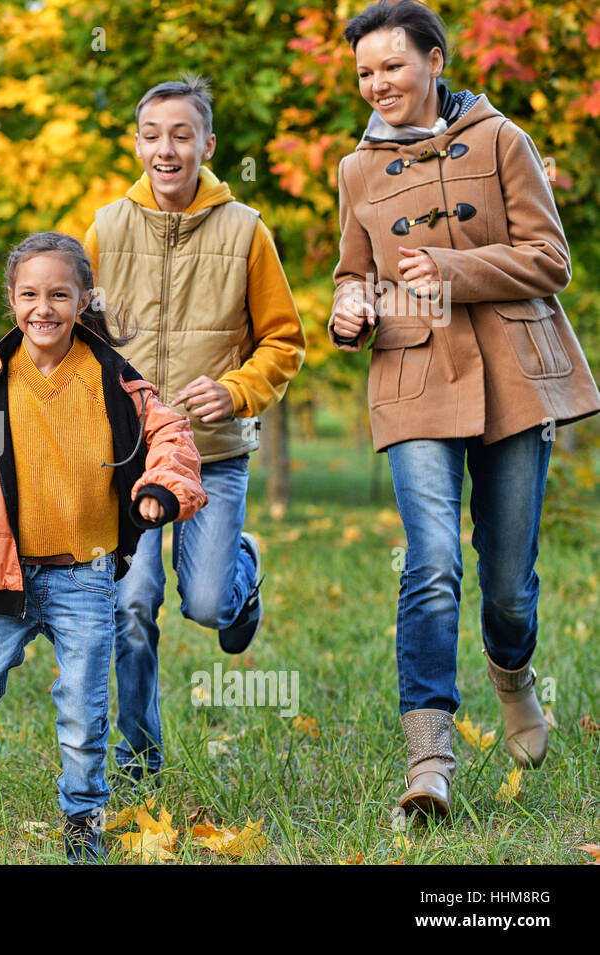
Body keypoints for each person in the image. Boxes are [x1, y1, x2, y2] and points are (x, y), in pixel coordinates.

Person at [330, 1, 600, 817]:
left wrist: (449, 266)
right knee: (433, 561)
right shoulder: (355, 169)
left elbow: (550, 261)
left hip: (516, 376)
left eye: (392, 67)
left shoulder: (501, 139)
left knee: (508, 586)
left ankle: (513, 676)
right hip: (415, 377)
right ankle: (430, 758)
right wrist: (350, 308)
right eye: (365, 73)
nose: (378, 84)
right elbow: (353, 268)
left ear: (435, 60)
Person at [0, 233, 206, 862]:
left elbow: (171, 435)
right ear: (11, 299)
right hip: (1, 571)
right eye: (30, 294)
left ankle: (83, 813)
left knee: (83, 709)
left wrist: (161, 490)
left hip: (83, 576)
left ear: (84, 299)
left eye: (60, 294)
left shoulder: (112, 379)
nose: (44, 307)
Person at [84, 77, 306, 782]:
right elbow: (75, 336)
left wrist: (238, 389)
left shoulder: (246, 229)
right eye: (152, 134)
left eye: (182, 134)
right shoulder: (105, 227)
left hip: (213, 456)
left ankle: (241, 565)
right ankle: (139, 754)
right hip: (130, 460)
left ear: (207, 145)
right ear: (138, 143)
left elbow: (283, 340)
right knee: (131, 602)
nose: (165, 148)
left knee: (206, 603)